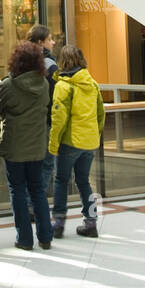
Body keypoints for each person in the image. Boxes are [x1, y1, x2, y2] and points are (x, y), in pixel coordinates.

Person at [0, 40, 53, 250]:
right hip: (37, 146)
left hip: (15, 147)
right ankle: (46, 236)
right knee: (38, 190)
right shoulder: (44, 84)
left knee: (17, 190)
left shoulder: (9, 85)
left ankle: (25, 239)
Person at [49, 44, 106, 239]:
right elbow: (101, 114)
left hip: (70, 142)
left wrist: (53, 144)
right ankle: (91, 223)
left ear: (62, 62)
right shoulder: (92, 84)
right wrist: (95, 134)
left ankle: (58, 223)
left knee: (61, 180)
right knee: (84, 181)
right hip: (89, 142)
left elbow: (58, 120)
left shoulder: (63, 86)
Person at [28, 23, 58, 196]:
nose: (53, 43)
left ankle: (27, 203)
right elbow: (55, 96)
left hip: (26, 122)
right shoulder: (49, 65)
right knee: (46, 164)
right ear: (40, 43)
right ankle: (36, 202)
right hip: (45, 121)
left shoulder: (21, 61)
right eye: (49, 39)